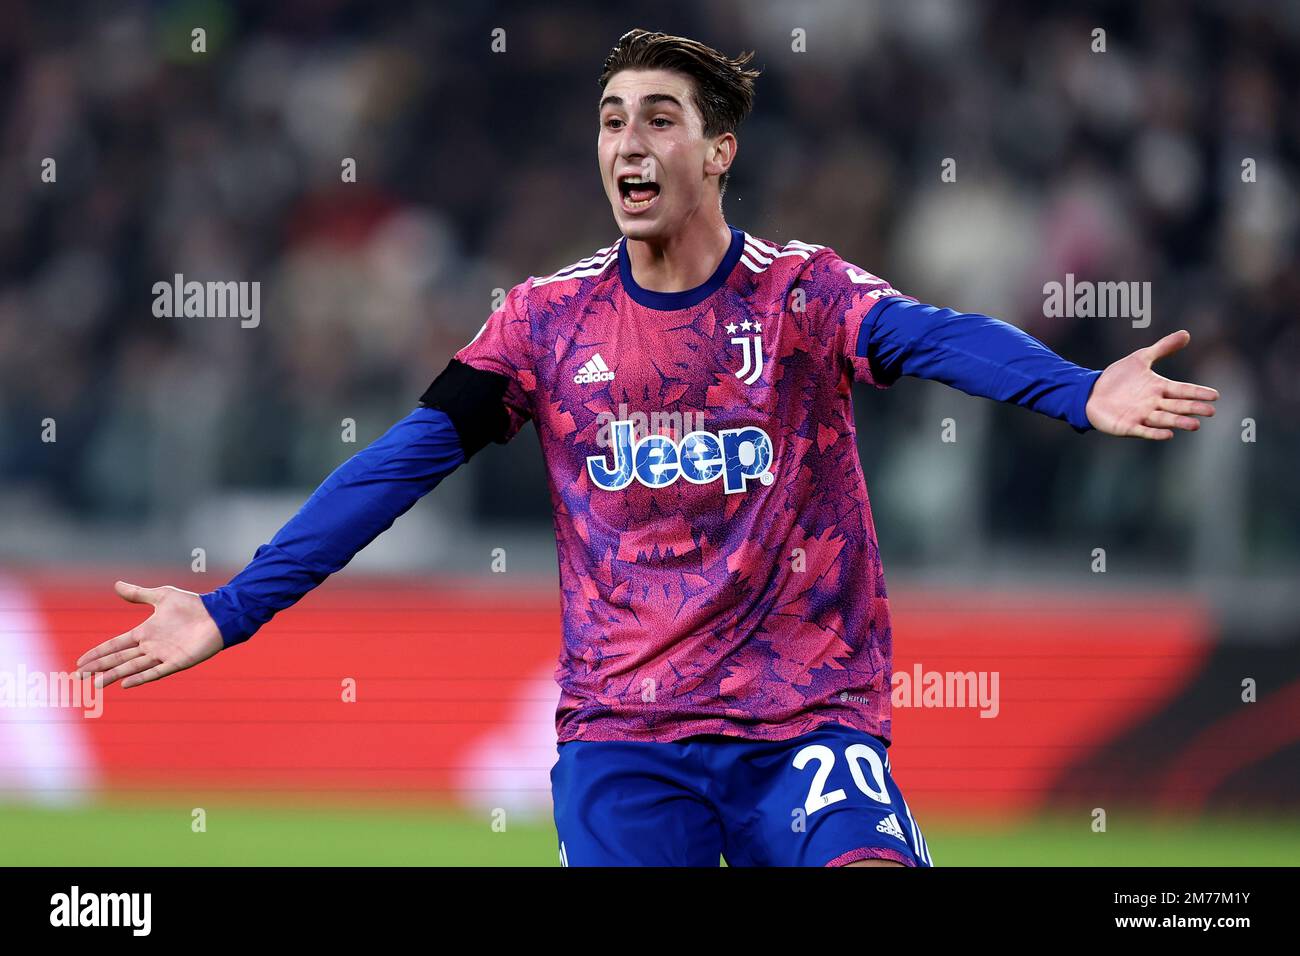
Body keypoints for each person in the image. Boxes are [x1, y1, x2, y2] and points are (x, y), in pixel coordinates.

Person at [75, 29, 1218, 867]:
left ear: (717, 152)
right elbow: (393, 470)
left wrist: (1078, 394)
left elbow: (933, 336)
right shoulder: (541, 322)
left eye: (658, 117)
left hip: (804, 722)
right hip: (629, 734)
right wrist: (232, 608)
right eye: (613, 118)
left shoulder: (796, 294)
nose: (627, 139)